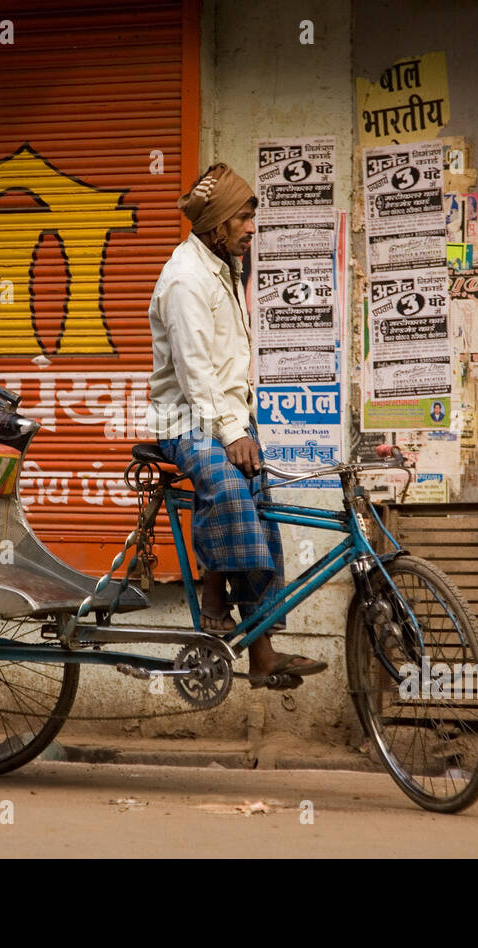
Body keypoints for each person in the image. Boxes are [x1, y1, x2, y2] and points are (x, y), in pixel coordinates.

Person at [145, 162, 327, 687]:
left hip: (224, 417)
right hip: (184, 421)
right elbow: (195, 371)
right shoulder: (184, 278)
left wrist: (236, 427)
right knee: (227, 485)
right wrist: (232, 433)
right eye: (244, 217)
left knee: (260, 504)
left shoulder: (223, 265)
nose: (252, 227)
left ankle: (262, 647)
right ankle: (211, 599)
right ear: (219, 223)